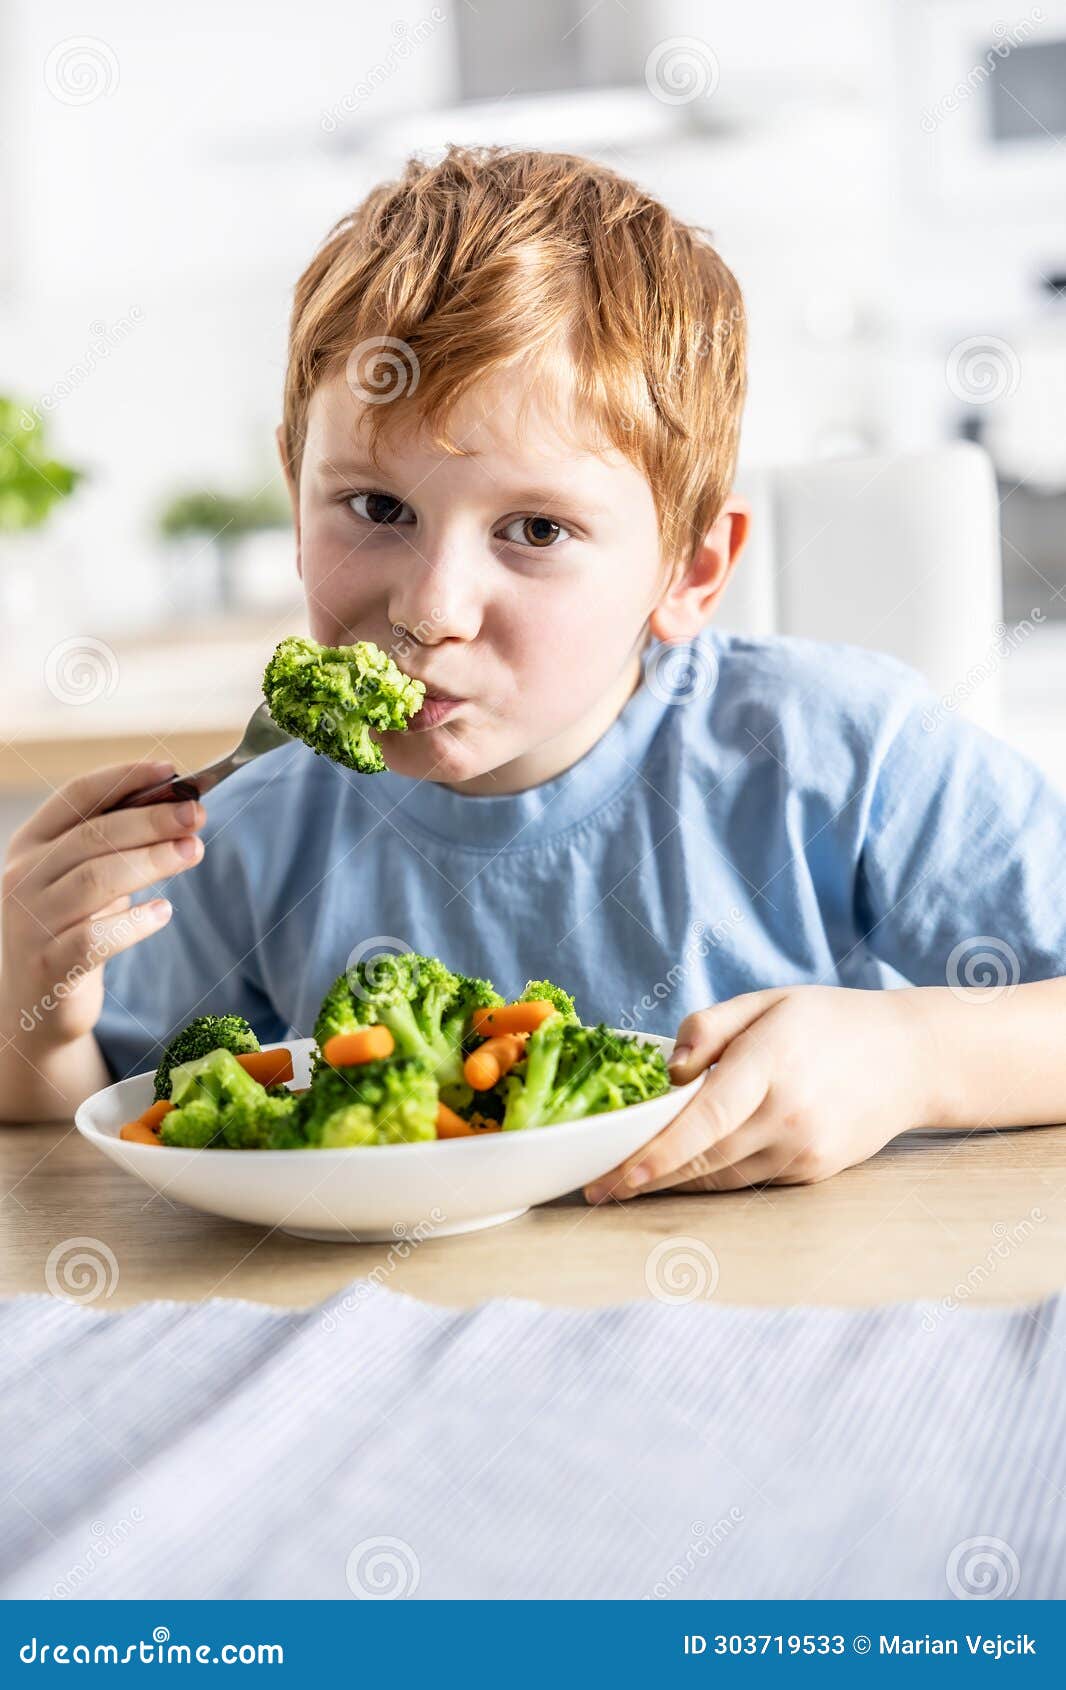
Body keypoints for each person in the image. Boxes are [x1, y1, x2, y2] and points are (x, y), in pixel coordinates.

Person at [4, 145, 1066, 1203]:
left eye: (535, 527)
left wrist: (913, 1055)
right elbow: (105, 1117)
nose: (428, 607)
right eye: (377, 509)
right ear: (295, 491)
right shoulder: (249, 831)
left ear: (691, 570)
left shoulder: (844, 754)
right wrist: (32, 1014)